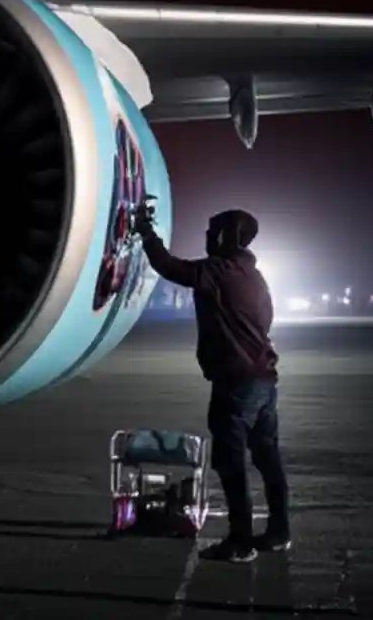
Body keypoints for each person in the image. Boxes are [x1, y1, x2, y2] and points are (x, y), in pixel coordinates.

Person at [134, 207, 290, 563]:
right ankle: (279, 532)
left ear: (225, 237)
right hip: (264, 382)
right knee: (268, 460)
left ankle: (241, 541)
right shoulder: (254, 276)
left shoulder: (219, 271)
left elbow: (171, 267)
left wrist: (146, 232)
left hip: (236, 384)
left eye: (212, 231)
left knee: (230, 462)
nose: (207, 237)